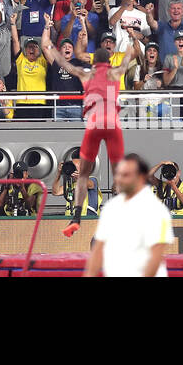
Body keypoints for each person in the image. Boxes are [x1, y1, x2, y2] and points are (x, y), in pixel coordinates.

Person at [50, 42, 138, 235]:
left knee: (83, 175)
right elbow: (126, 62)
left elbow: (66, 66)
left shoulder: (86, 74)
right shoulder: (115, 73)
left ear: (93, 61)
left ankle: (76, 217)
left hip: (94, 123)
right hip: (112, 124)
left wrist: (52, 49)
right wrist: (130, 48)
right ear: (108, 61)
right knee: (119, 174)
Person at [84, 155, 172, 278]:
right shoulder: (111, 208)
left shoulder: (157, 211)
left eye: (126, 175)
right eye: (119, 174)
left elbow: (155, 257)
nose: (120, 179)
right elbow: (97, 249)